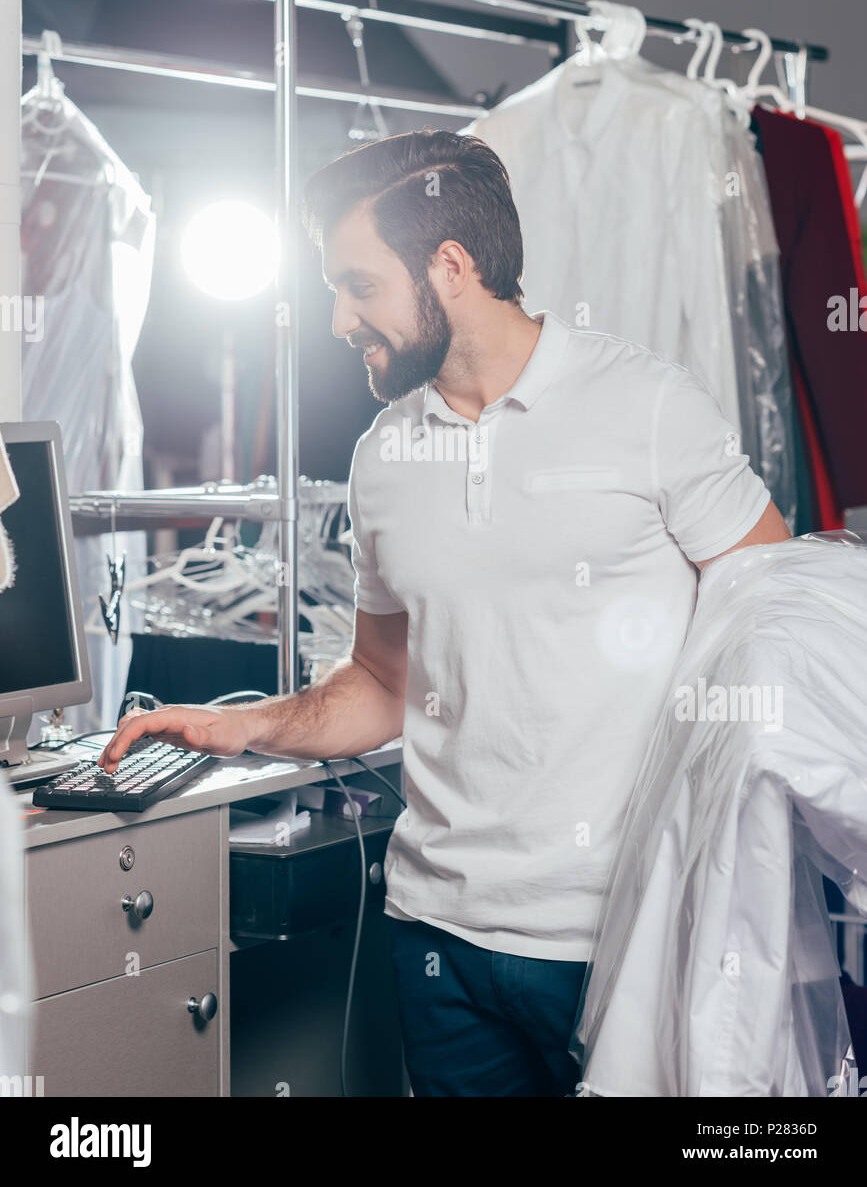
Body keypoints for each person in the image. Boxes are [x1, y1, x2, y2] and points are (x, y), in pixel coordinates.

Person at [99, 130, 791, 1097]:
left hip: (622, 930)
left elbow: (780, 626)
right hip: (438, 933)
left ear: (451, 267)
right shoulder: (384, 454)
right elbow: (384, 682)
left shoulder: (647, 408)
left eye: (357, 284)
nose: (338, 317)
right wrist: (238, 727)